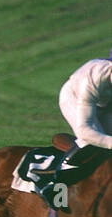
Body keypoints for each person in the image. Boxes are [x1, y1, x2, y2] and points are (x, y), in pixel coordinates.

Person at [39, 55, 112, 208]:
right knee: (89, 142)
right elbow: (85, 130)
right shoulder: (93, 76)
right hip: (74, 98)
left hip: (105, 106)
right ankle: (55, 185)